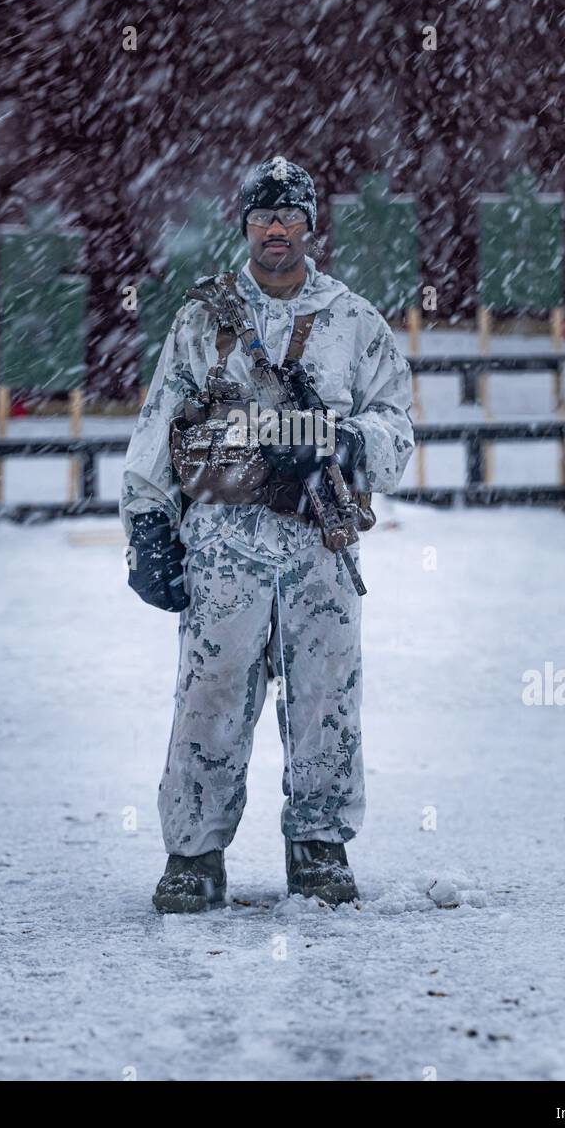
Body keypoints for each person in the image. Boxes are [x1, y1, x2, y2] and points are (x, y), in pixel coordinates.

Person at [120, 156, 414, 912]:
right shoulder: (203, 317)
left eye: (289, 216)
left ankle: (319, 846)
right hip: (222, 541)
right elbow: (161, 422)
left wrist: (347, 443)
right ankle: (193, 854)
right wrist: (149, 524)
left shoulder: (355, 320)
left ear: (310, 226)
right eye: (262, 216)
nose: (276, 229)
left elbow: (397, 425)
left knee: (326, 694)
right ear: (245, 224)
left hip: (320, 538)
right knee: (210, 695)